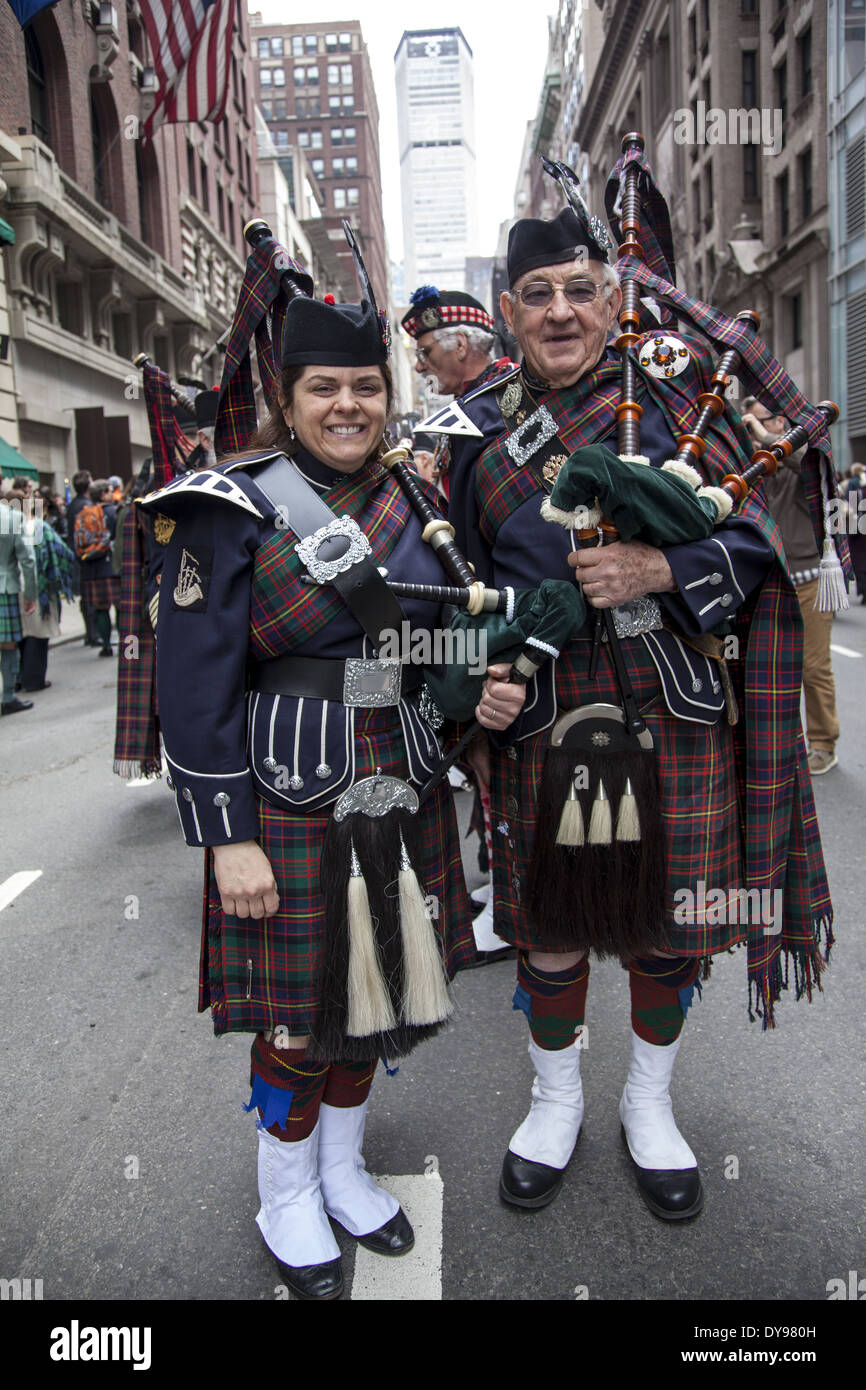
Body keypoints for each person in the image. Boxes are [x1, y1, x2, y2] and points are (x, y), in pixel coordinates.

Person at [444, 204, 832, 1221]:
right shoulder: (472, 438)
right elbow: (450, 597)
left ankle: (649, 1105)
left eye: (579, 290)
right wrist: (469, 683)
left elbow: (758, 540)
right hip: (544, 720)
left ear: (610, 299)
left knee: (673, 929)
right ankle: (553, 1099)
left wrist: (662, 564)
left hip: (671, 702)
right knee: (545, 929)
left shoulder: (675, 403)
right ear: (507, 312)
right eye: (537, 295)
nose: (561, 311)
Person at [140, 292, 475, 1299]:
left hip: (398, 779)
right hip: (285, 793)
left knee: (374, 998)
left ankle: (341, 1167)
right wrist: (223, 837)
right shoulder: (227, 502)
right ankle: (284, 1189)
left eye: (365, 387)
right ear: (285, 400)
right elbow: (192, 679)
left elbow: (426, 638)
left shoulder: (416, 499)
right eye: (323, 387)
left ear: (387, 394)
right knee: (294, 1017)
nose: (346, 404)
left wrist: (475, 670)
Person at [741, 398, 840, 775]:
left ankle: (823, 743)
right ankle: (783, 746)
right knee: (771, 670)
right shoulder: (757, 465)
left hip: (809, 579)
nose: (753, 431)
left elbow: (813, 466)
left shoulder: (801, 458)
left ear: (780, 421)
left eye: (759, 421)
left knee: (813, 668)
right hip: (768, 581)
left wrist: (768, 436)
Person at [18, 495, 77, 692]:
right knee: (39, 633)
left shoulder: (12, 528)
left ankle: (20, 678)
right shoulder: (40, 527)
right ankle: (34, 680)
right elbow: (63, 553)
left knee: (23, 634)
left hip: (16, 586)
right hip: (38, 585)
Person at [0, 489, 37, 715]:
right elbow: (28, 560)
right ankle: (8, 696)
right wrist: (30, 595)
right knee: (8, 645)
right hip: (5, 587)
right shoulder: (12, 516)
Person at [74, 479, 119, 658]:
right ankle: (128, 646)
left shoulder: (83, 514)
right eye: (109, 491)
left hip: (92, 568)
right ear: (102, 494)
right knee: (121, 608)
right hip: (111, 565)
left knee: (101, 609)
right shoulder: (112, 511)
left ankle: (106, 645)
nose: (112, 494)